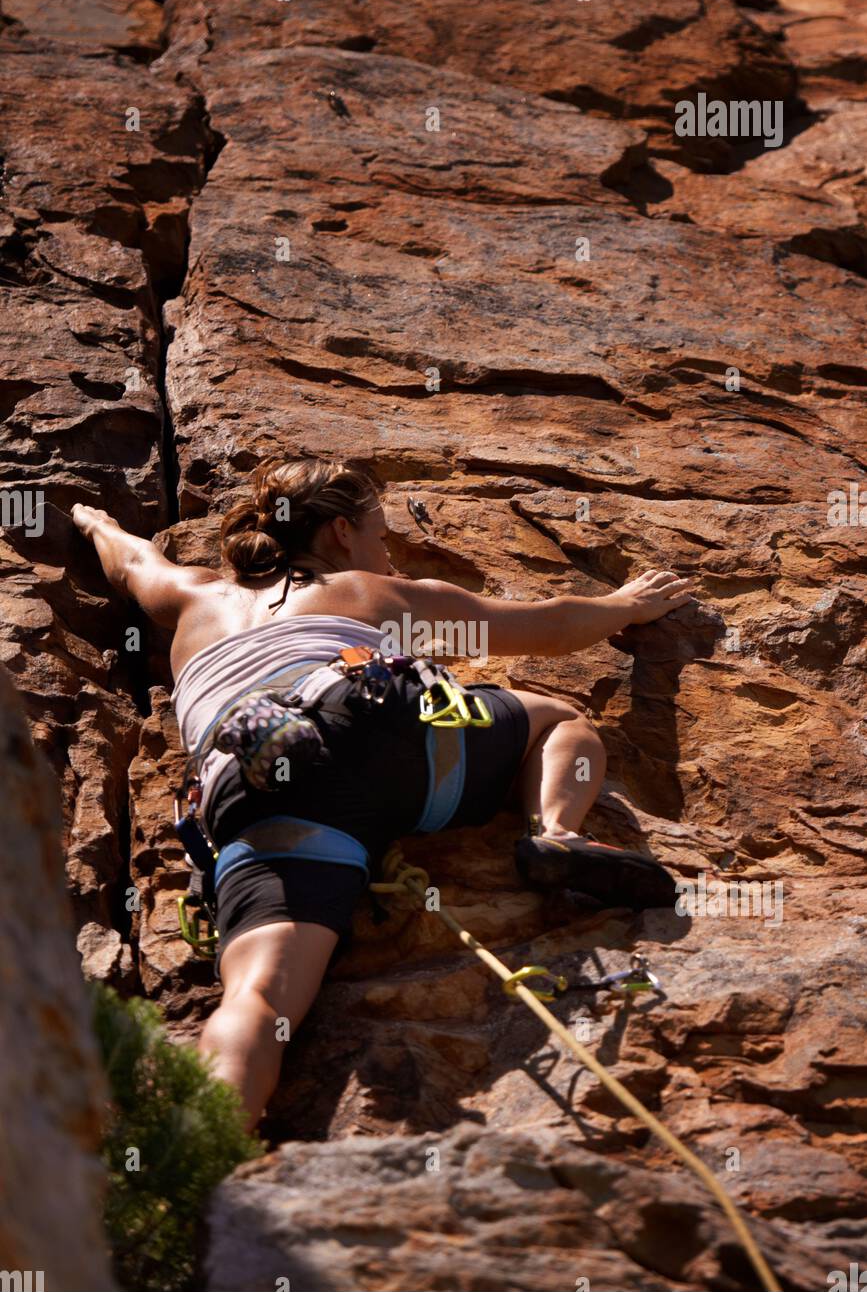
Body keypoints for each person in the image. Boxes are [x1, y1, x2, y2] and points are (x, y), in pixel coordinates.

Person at [72, 457, 693, 1129]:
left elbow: (132, 564)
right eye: (380, 534)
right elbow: (547, 626)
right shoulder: (370, 593)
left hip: (252, 784)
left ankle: (213, 1138)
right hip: (372, 730)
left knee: (259, 996)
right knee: (556, 721)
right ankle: (554, 833)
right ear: (341, 532)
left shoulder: (194, 597)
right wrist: (626, 605)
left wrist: (92, 520)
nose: (387, 553)